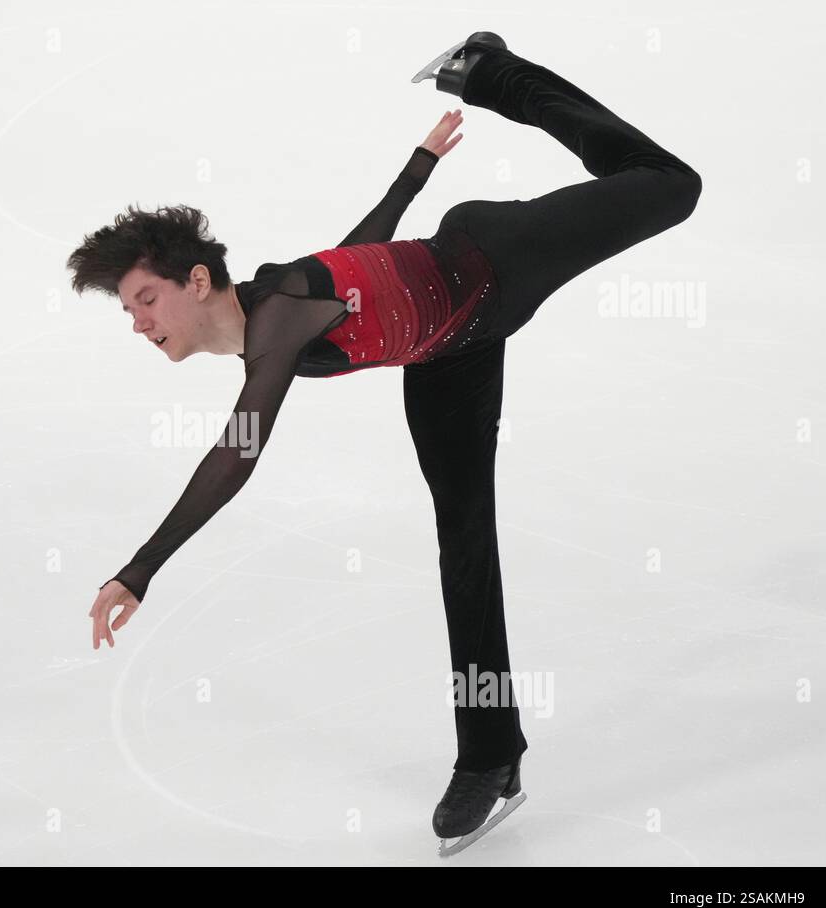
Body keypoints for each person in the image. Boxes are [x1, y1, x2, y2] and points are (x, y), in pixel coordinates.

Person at [69, 32, 701, 854]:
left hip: (493, 261)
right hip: (447, 354)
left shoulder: (279, 322)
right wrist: (416, 166)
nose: (139, 323)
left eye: (145, 299)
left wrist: (140, 568)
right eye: (128, 312)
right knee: (463, 540)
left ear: (196, 281)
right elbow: (361, 248)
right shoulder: (279, 300)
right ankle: (491, 759)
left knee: (669, 186)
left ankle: (495, 72)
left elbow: (238, 452)